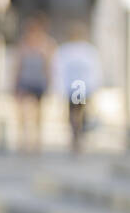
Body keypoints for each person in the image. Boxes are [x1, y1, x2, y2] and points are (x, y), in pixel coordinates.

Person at [51, 19, 102, 154]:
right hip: (74, 87)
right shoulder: (67, 51)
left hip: (81, 86)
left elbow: (94, 70)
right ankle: (76, 137)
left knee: (80, 113)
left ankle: (78, 136)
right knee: (74, 113)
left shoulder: (87, 51)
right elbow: (59, 70)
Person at [14, 14, 55, 155]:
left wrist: (50, 82)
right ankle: (24, 140)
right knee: (23, 112)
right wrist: (15, 82)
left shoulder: (47, 44)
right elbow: (18, 65)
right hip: (26, 81)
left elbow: (49, 66)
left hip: (39, 81)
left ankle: (36, 141)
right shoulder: (24, 44)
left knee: (39, 113)